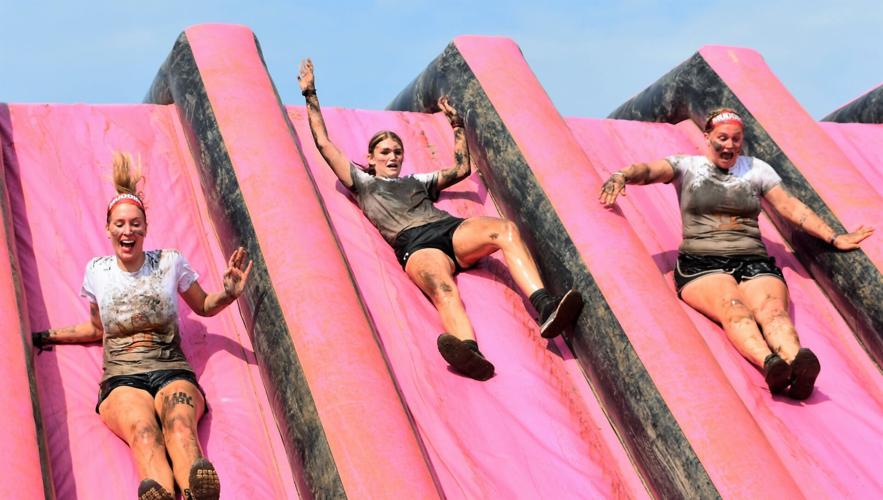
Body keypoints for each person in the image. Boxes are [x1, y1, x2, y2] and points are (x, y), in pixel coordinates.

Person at [297, 58, 583, 381]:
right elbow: (323, 143)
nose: (393, 156)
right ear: (370, 158)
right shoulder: (363, 183)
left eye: (397, 152)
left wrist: (458, 127)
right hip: (415, 244)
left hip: (449, 230)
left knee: (504, 229)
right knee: (443, 288)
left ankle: (545, 306)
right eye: (385, 152)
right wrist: (310, 95)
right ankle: (469, 350)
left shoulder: (417, 181)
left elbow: (461, 169)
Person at [598, 108, 874, 400]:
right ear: (707, 137)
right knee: (734, 309)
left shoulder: (756, 170)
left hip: (753, 259)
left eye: (736, 139)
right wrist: (623, 175)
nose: (729, 145)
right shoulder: (687, 167)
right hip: (701, 263)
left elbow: (791, 207)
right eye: (722, 138)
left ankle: (798, 363)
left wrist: (834, 237)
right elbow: (651, 171)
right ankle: (770, 364)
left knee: (773, 312)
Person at [32, 152, 252, 500]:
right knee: (144, 431)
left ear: (146, 228)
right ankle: (163, 495)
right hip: (122, 378)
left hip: (172, 371)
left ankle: (198, 492)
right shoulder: (98, 271)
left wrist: (228, 293)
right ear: (108, 229)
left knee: (179, 427)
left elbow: (205, 306)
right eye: (120, 224)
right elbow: (95, 329)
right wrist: (43, 336)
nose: (128, 230)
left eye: (135, 223)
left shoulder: (169, 262)